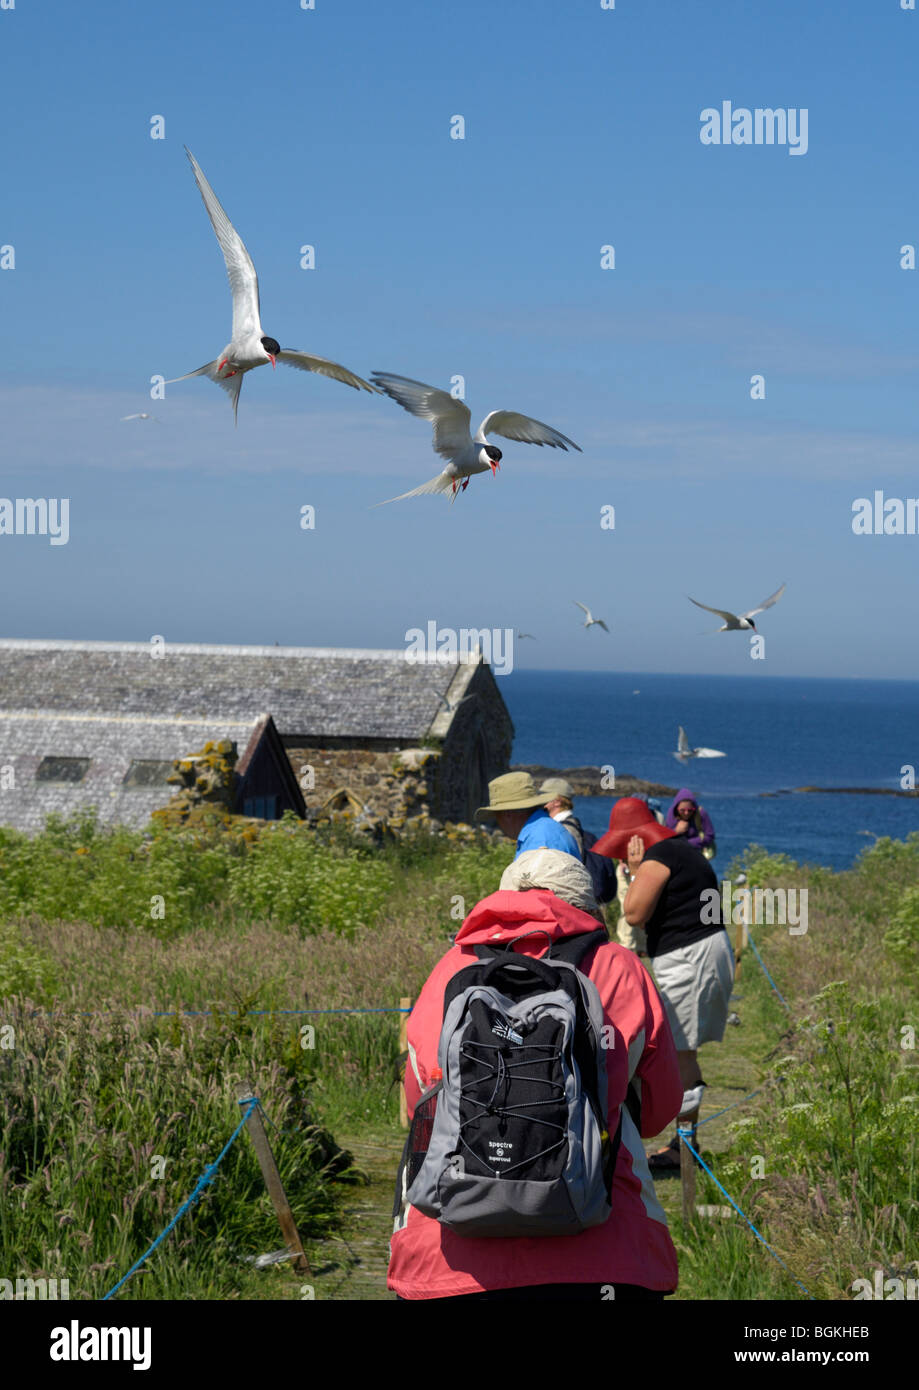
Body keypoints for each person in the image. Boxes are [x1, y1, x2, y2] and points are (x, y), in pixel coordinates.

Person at [388, 849, 683, 1299]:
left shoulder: (450, 970)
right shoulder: (621, 967)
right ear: (586, 906)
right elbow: (659, 1110)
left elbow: (418, 1105)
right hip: (606, 1253)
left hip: (450, 1262)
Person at [595, 799, 734, 1172]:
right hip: (700, 950)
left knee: (680, 1051)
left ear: (635, 840)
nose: (622, 857)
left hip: (690, 956)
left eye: (623, 848)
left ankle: (684, 1148)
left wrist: (638, 871)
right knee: (680, 1048)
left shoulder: (659, 856)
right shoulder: (677, 850)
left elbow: (635, 913)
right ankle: (682, 1141)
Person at [474, 772, 581, 859]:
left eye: (496, 815)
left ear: (507, 814)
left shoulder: (539, 842)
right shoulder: (544, 830)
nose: (498, 822)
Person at [538, 776, 586, 857]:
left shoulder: (566, 829)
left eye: (544, 795)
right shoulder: (567, 825)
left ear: (557, 801)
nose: (539, 799)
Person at [665, 788, 716, 857]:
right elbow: (666, 841)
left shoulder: (701, 813)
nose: (686, 813)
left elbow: (710, 835)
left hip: (696, 855)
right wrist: (676, 831)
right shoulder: (672, 815)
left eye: (690, 810)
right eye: (682, 810)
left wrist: (687, 843)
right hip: (677, 855)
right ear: (676, 808)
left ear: (694, 807)